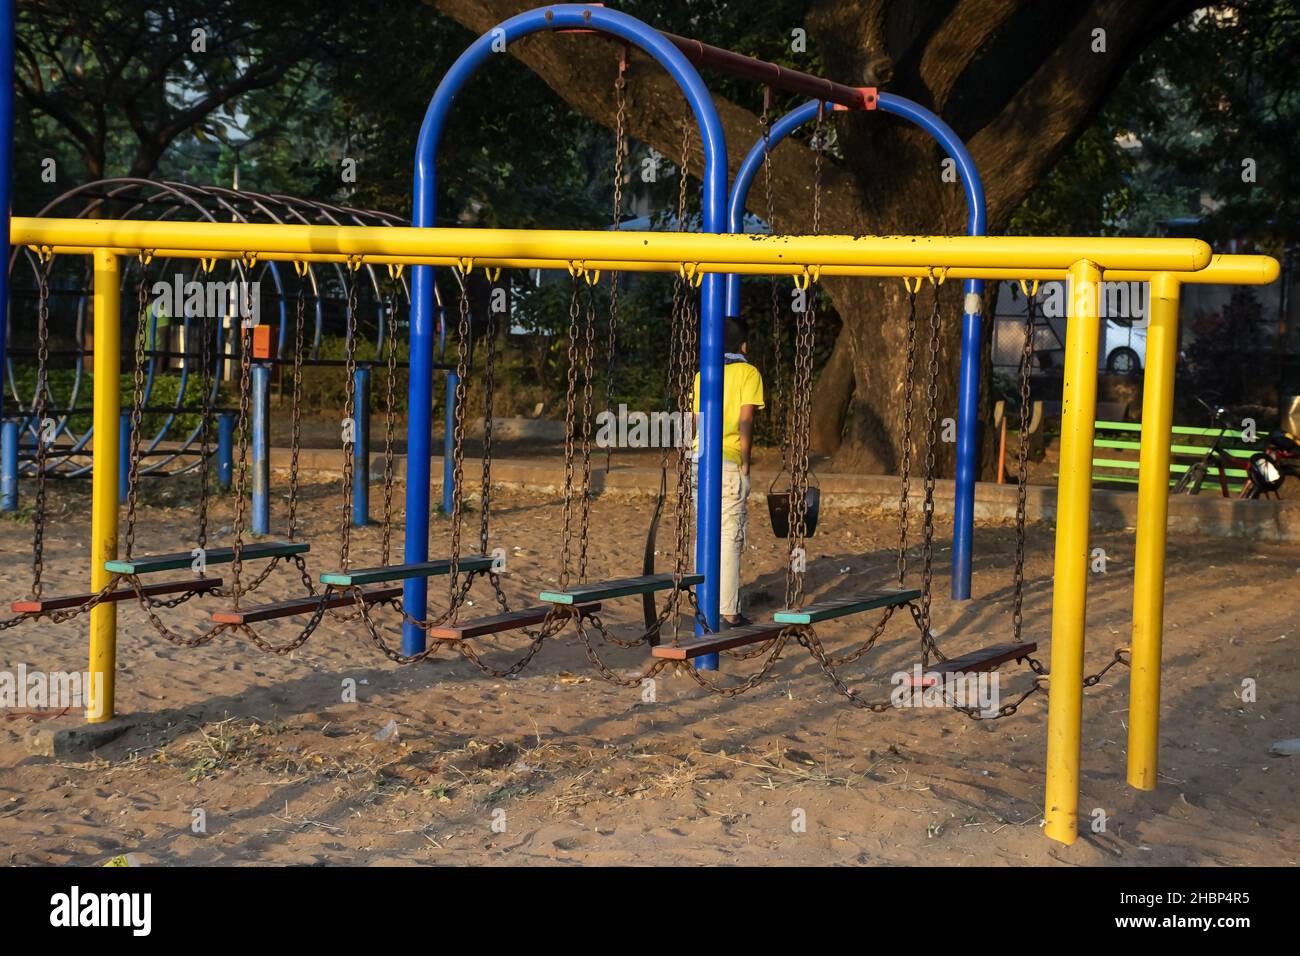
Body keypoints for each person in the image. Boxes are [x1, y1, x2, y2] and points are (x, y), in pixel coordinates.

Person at [693, 317, 764, 628]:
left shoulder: (701, 375)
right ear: (744, 345)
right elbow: (745, 419)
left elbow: (693, 420)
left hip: (698, 458)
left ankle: (701, 599)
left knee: (705, 530)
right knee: (729, 534)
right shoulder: (748, 373)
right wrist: (746, 461)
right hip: (729, 460)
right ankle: (727, 609)